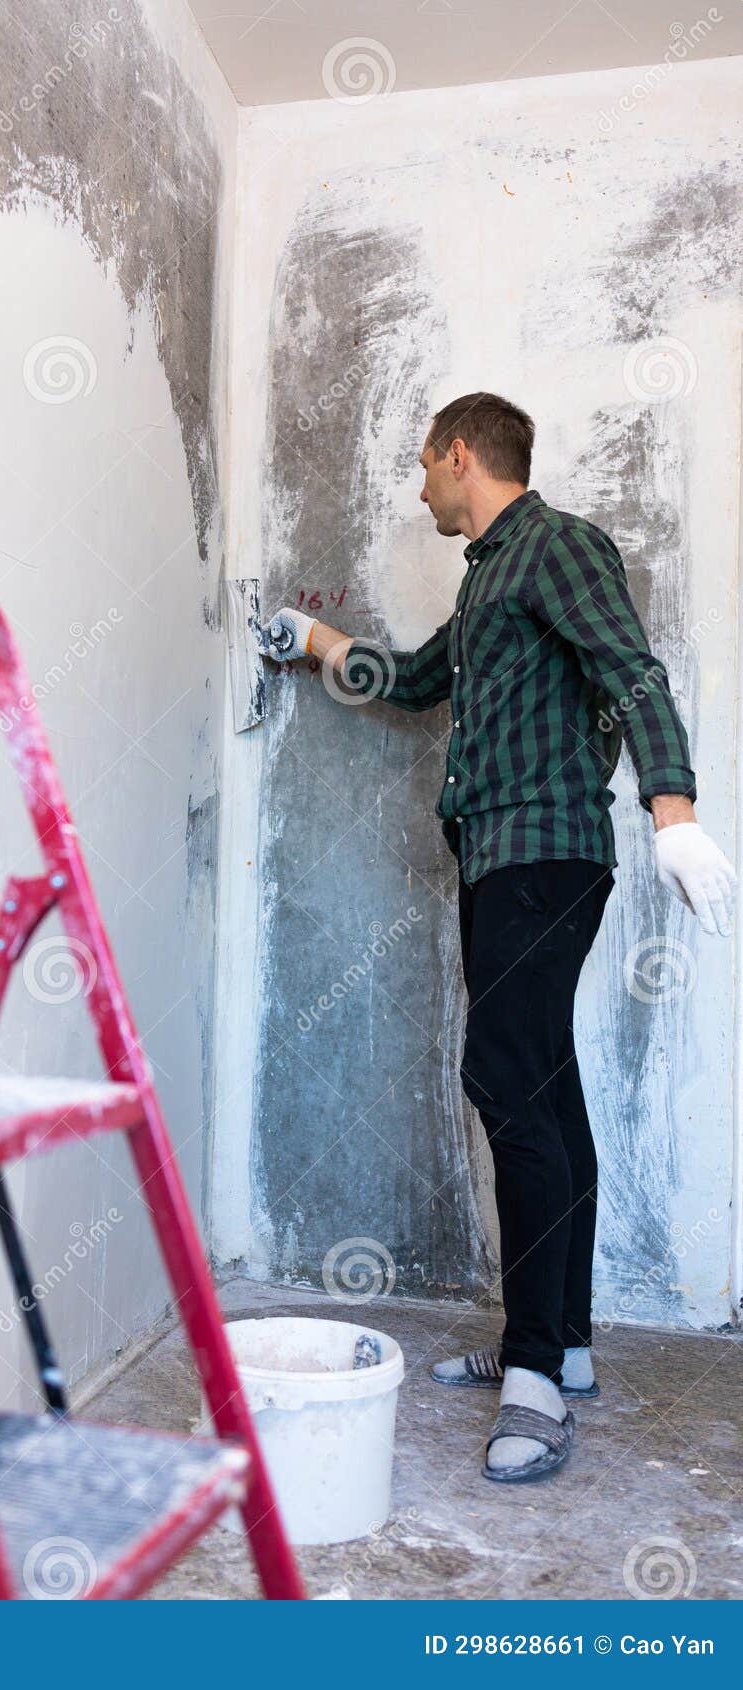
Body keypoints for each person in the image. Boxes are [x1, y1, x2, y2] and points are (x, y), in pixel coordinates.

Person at [260, 391, 735, 1483]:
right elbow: (421, 680)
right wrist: (313, 638)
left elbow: (630, 671)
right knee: (545, 1091)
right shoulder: (488, 585)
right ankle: (559, 1345)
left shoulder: (556, 547)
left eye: (425, 465)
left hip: (541, 856)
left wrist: (674, 809)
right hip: (500, 861)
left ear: (460, 455)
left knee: (504, 1081)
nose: (418, 483)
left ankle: (530, 1381)